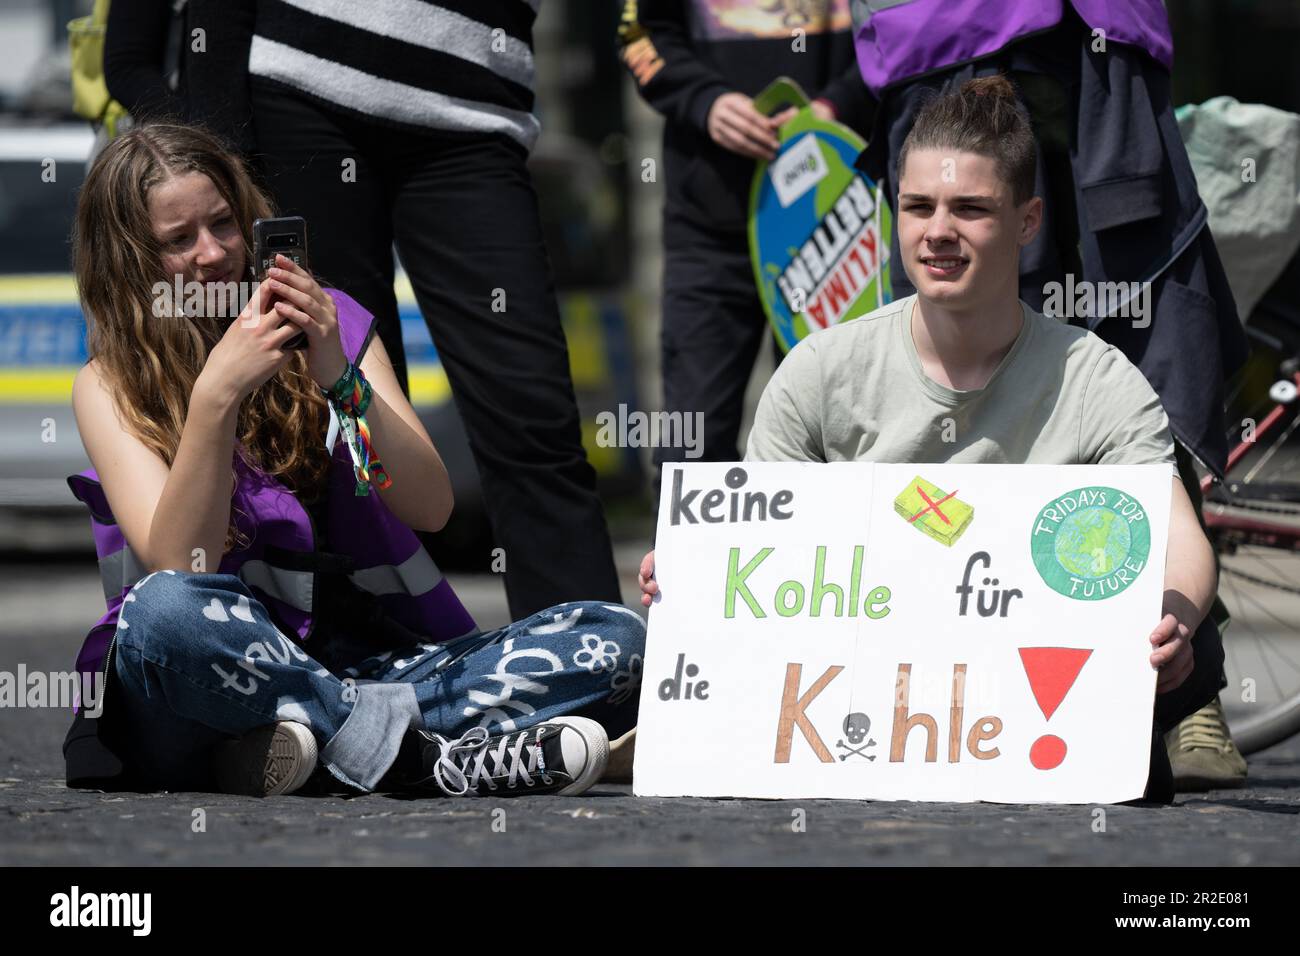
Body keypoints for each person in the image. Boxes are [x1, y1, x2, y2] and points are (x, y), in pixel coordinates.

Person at [637, 77, 1224, 804]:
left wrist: (1180, 617)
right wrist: (699, 571)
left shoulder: (1099, 379)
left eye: (971, 209)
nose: (937, 231)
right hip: (848, 720)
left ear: (1028, 219)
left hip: (1039, 712)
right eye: (918, 207)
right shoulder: (820, 370)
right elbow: (757, 545)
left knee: (1172, 698)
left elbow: (1179, 535)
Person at [63, 124, 643, 798]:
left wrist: (338, 370)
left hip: (362, 666)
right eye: (178, 240)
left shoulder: (331, 321)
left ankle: (310, 747)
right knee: (163, 612)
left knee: (616, 635)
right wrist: (216, 396)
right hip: (197, 685)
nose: (214, 252)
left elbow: (431, 505)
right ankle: (430, 757)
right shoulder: (107, 385)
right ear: (130, 258)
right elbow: (176, 561)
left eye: (224, 223)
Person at [617, 0, 874, 509]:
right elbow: (637, 31)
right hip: (708, 218)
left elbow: (900, 24)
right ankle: (687, 585)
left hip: (839, 204)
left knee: (842, 432)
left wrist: (837, 106)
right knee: (690, 442)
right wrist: (706, 101)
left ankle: (836, 585)